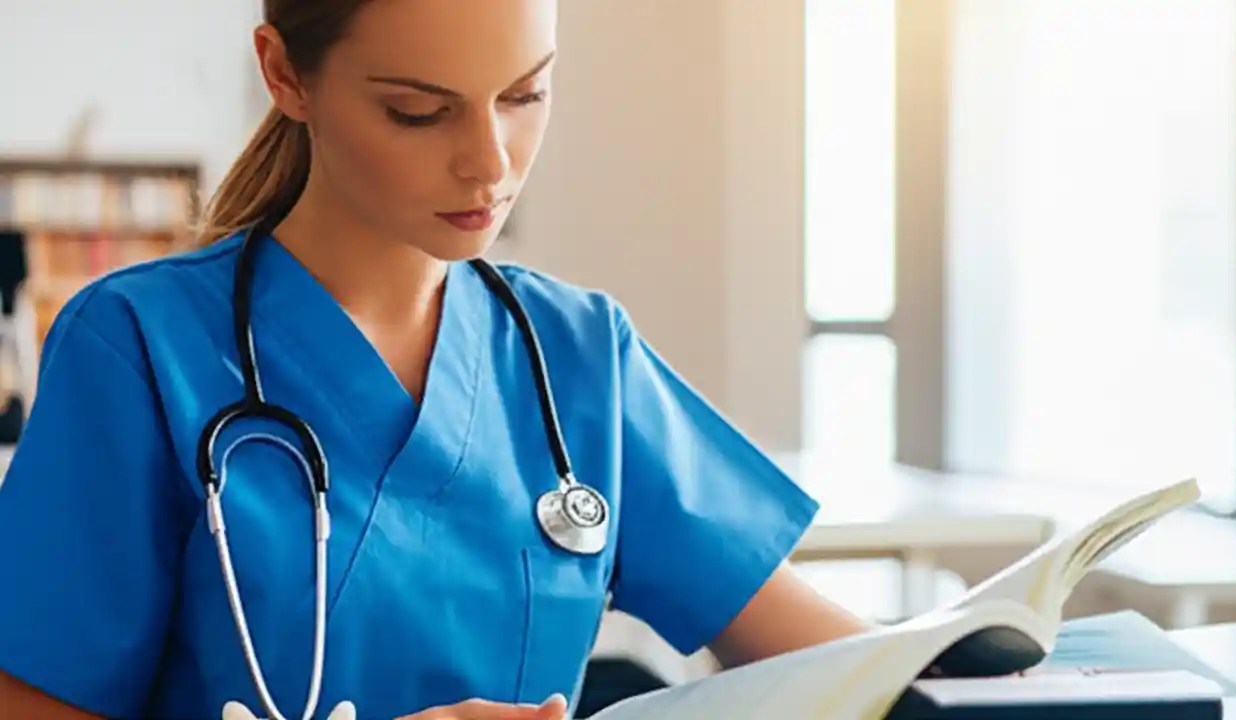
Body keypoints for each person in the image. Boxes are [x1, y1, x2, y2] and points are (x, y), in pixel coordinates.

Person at [0, 2, 877, 718]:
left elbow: (849, 664)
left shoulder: (578, 358)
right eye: (418, 111)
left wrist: (990, 647)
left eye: (526, 95)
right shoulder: (137, 349)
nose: (490, 164)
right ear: (284, 75)